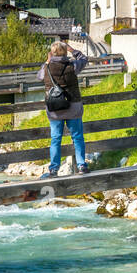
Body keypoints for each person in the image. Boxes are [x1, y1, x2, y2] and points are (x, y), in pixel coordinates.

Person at [38, 40, 89, 177]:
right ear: (65, 51)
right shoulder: (73, 65)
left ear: (51, 53)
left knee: (55, 139)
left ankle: (54, 168)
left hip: (55, 110)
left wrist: (47, 61)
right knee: (77, 137)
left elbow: (39, 77)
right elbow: (84, 59)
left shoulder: (46, 68)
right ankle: (81, 165)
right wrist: (73, 51)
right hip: (73, 107)